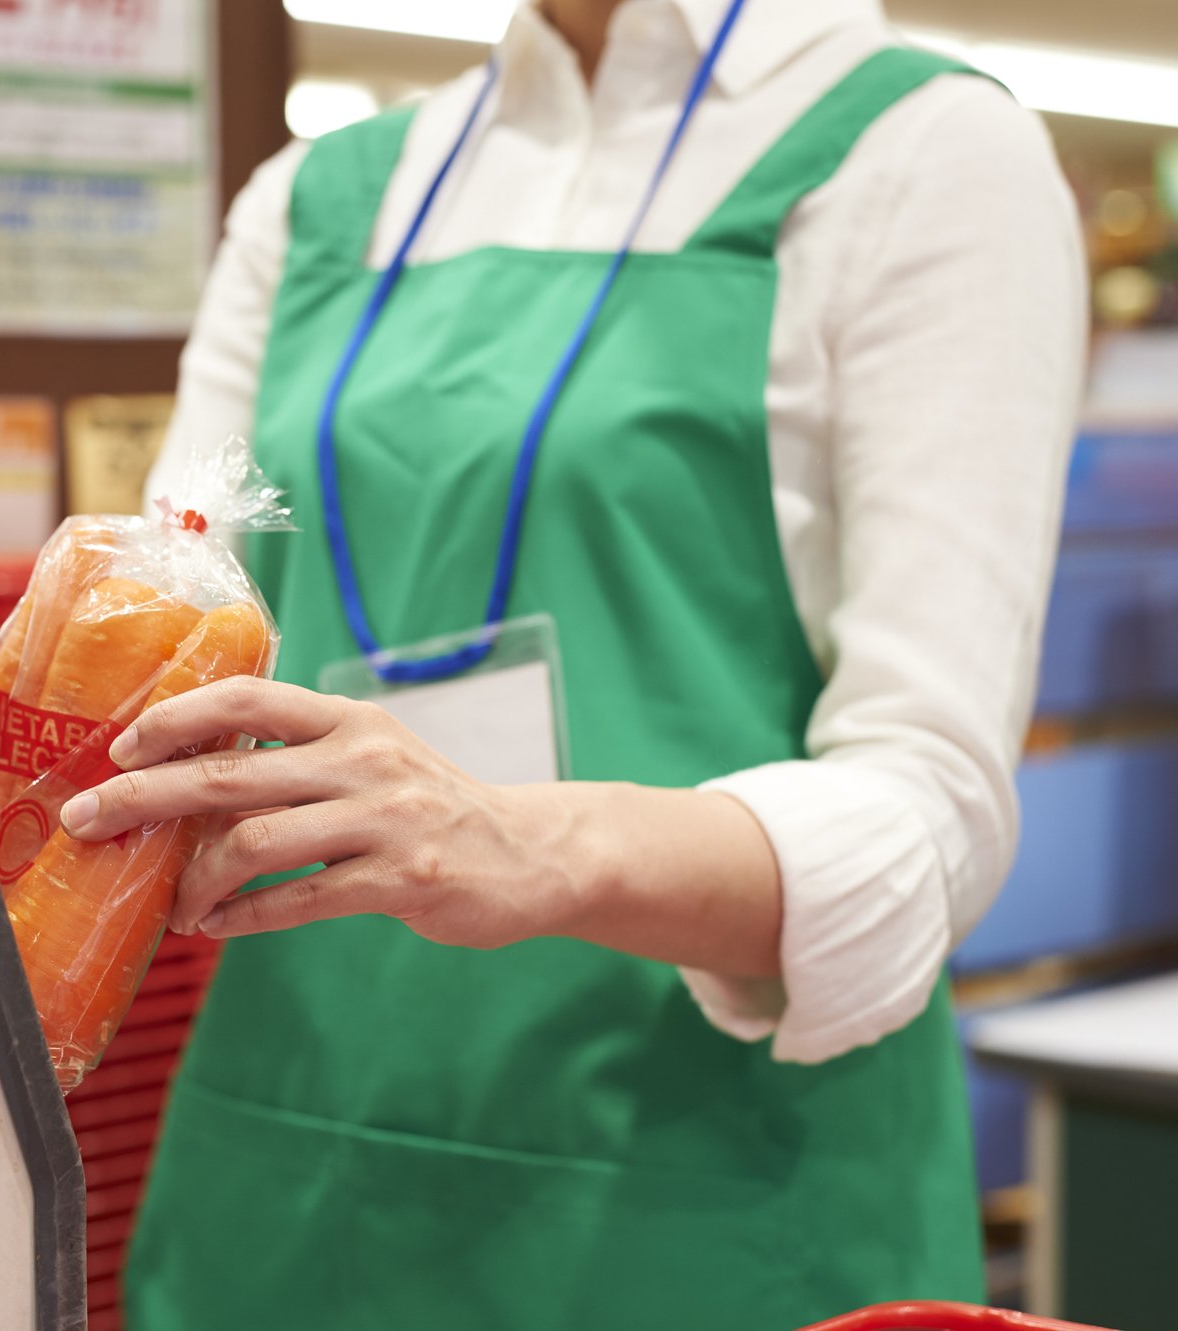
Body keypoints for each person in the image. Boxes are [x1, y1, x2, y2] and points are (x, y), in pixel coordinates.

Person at [55, 0, 1086, 1325]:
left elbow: (930, 809)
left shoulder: (923, 153)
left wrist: (526, 843)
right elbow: (174, 612)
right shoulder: (314, 200)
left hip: (704, 1189)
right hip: (293, 1150)